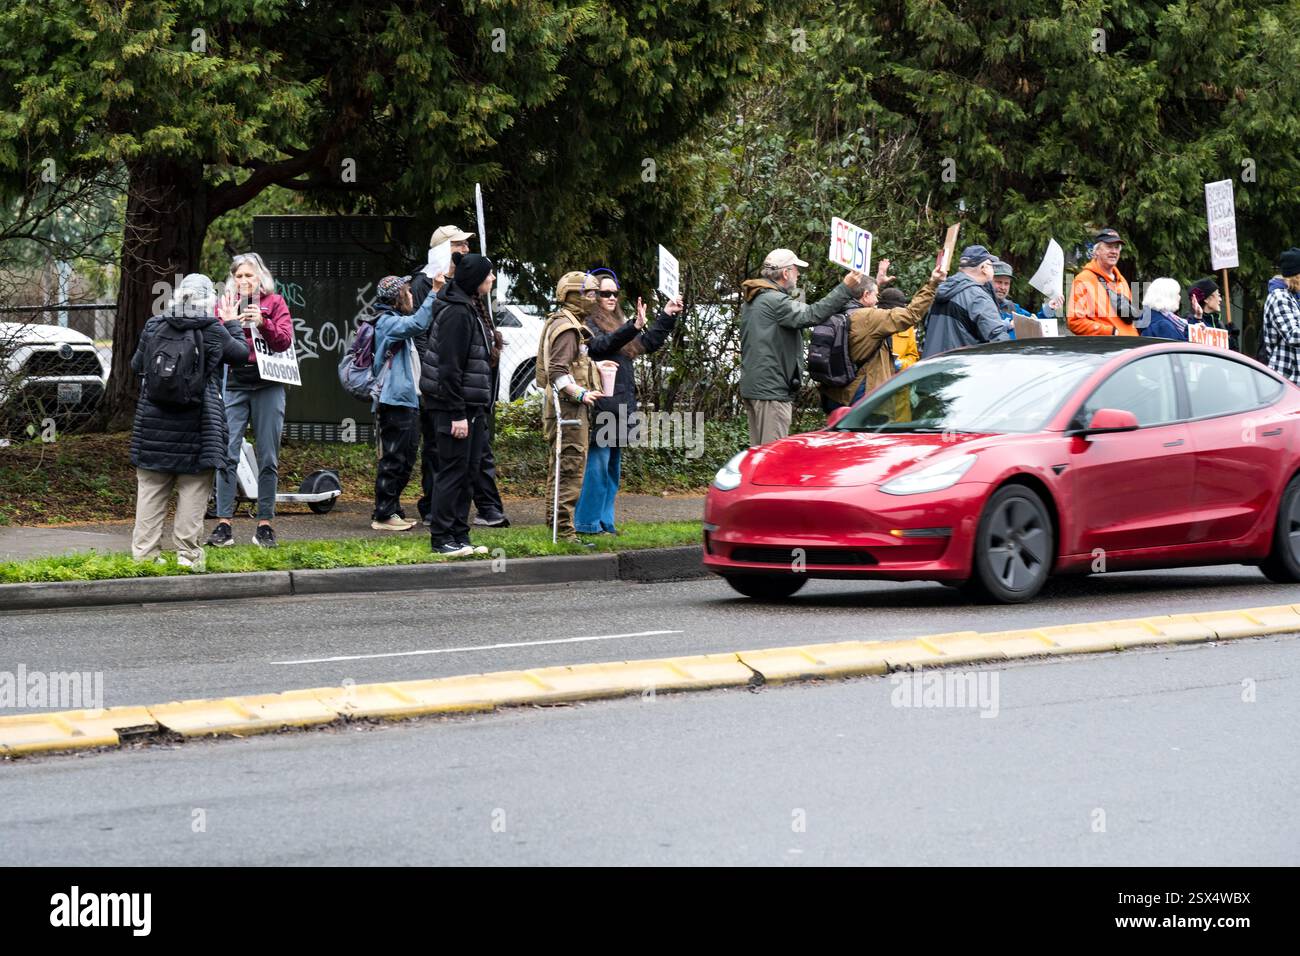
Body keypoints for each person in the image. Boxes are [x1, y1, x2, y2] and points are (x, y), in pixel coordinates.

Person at [130, 274, 249, 571]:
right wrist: (232, 321)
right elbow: (241, 355)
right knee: (193, 492)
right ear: (209, 300)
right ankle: (188, 557)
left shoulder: (154, 324)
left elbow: (136, 366)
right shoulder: (212, 329)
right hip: (198, 425)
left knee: (151, 491)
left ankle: (144, 557)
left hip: (153, 424)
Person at [575, 269, 684, 535]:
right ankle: (587, 523)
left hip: (622, 402)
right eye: (605, 293)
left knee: (613, 468)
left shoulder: (618, 322)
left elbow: (645, 343)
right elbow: (600, 346)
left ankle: (605, 522)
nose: (611, 297)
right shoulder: (587, 322)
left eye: (614, 293)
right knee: (598, 467)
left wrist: (666, 315)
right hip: (601, 402)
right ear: (593, 295)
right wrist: (632, 326)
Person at [208, 252, 294, 549]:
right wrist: (229, 323)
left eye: (249, 275)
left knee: (268, 456)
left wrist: (263, 322)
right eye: (239, 276)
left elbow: (284, 340)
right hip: (235, 384)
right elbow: (216, 345)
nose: (243, 280)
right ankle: (223, 523)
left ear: (260, 277)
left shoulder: (275, 303)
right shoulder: (225, 305)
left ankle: (265, 524)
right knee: (227, 453)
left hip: (269, 383)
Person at [739, 248, 864, 446]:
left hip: (757, 387)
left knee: (759, 453)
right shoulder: (775, 301)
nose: (798, 274)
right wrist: (845, 288)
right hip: (772, 392)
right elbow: (811, 315)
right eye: (796, 269)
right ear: (785, 273)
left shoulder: (756, 298)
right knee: (773, 457)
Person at [424, 253, 498, 556]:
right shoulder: (456, 313)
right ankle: (442, 538)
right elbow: (449, 369)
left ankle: (459, 534)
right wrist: (457, 414)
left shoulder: (469, 308)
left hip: (472, 407)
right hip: (454, 408)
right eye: (489, 275)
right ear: (476, 280)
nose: (492, 279)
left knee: (468, 472)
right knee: (452, 472)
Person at [538, 272, 607, 544]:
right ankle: (564, 533)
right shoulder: (567, 328)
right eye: (590, 293)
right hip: (568, 409)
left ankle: (558, 528)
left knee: (563, 466)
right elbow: (557, 370)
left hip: (566, 407)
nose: (595, 299)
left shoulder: (564, 322)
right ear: (573, 296)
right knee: (570, 467)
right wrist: (580, 394)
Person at [821, 262, 947, 411]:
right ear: (866, 295)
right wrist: (932, 284)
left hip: (836, 394)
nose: (877, 301)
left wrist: (877, 281)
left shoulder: (837, 309)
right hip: (860, 394)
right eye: (876, 295)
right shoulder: (869, 318)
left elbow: (862, 294)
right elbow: (911, 314)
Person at [370, 275, 439, 531]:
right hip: (394, 400)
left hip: (406, 400)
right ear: (398, 296)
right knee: (394, 458)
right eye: (408, 292)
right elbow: (420, 323)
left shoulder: (394, 321)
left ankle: (393, 509)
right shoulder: (387, 322)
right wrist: (435, 291)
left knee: (406, 457)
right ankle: (383, 514)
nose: (412, 296)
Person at [920, 245, 1011, 357]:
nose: (993, 270)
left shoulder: (938, 290)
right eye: (991, 266)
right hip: (960, 369)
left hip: (930, 364)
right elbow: (998, 340)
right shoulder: (978, 298)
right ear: (984, 268)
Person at [1068, 228, 1138, 336]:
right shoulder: (1083, 280)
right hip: (1110, 349)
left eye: (1117, 247)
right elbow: (1075, 322)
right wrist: (1111, 332)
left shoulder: (1121, 280)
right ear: (1096, 251)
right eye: (1109, 247)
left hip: (1131, 346)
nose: (1114, 251)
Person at [1261, 248, 1300, 385]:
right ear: (1297, 276)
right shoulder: (1279, 297)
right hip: (1285, 380)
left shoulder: (1294, 297)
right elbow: (1293, 336)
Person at [1189, 277, 1238, 351]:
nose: (1220, 299)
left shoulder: (1219, 324)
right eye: (1218, 295)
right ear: (1206, 299)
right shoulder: (1192, 322)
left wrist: (1232, 340)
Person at [877, 287, 920, 372]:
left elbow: (913, 357)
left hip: (897, 379)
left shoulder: (907, 327)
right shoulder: (874, 322)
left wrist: (901, 364)